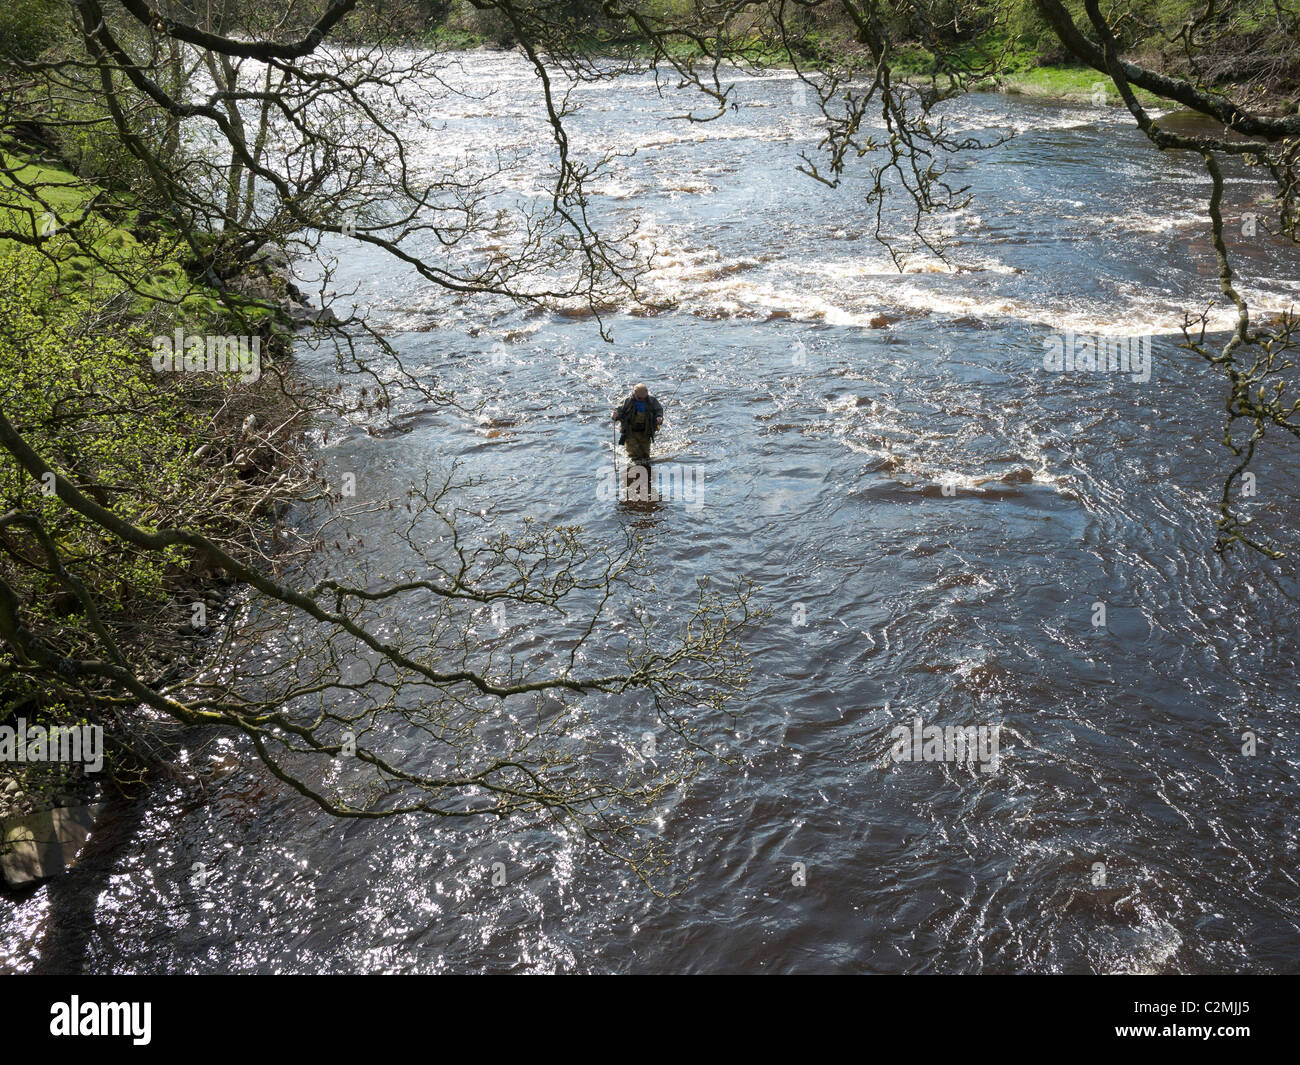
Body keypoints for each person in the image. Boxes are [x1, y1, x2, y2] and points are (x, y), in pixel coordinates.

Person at [611, 382, 664, 463]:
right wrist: (615, 415)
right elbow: (618, 411)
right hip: (630, 432)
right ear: (634, 393)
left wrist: (659, 417)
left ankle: (645, 469)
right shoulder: (627, 401)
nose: (642, 399)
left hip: (646, 432)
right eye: (639, 398)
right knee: (633, 456)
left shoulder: (652, 401)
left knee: (645, 455)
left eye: (644, 397)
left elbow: (658, 410)